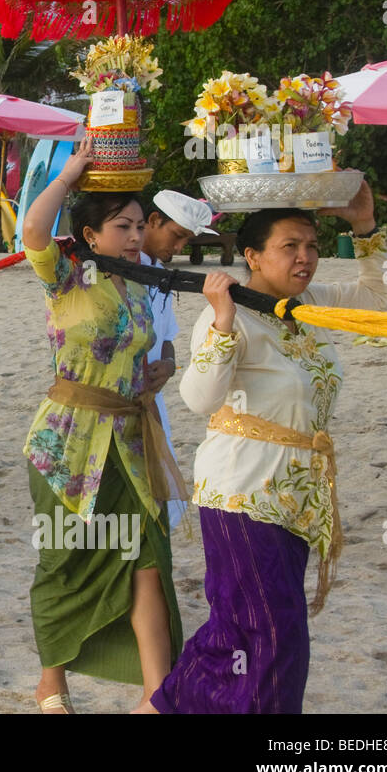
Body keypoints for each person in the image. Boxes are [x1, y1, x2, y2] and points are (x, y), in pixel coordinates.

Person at [150, 184, 387, 714]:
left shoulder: (311, 305)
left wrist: (366, 229)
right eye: (290, 245)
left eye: (311, 244)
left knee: (240, 629)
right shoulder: (232, 311)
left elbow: (380, 300)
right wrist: (221, 322)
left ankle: (159, 707)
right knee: (274, 636)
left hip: (297, 500)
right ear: (253, 255)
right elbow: (197, 399)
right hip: (242, 494)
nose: (305, 255)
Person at [20, 137, 182, 714]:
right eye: (122, 226)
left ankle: (157, 693)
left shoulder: (143, 281)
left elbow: (152, 348)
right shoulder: (65, 275)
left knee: (146, 558)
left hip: (132, 439)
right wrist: (68, 175)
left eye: (140, 225)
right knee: (65, 558)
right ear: (91, 234)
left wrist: (161, 367)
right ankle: (51, 681)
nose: (136, 237)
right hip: (67, 439)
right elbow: (32, 231)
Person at [139, 190, 218, 531]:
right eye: (178, 235)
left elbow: (167, 338)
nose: (181, 247)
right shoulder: (117, 270)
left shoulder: (160, 275)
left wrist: (169, 366)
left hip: (152, 401)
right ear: (154, 221)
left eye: (186, 239)